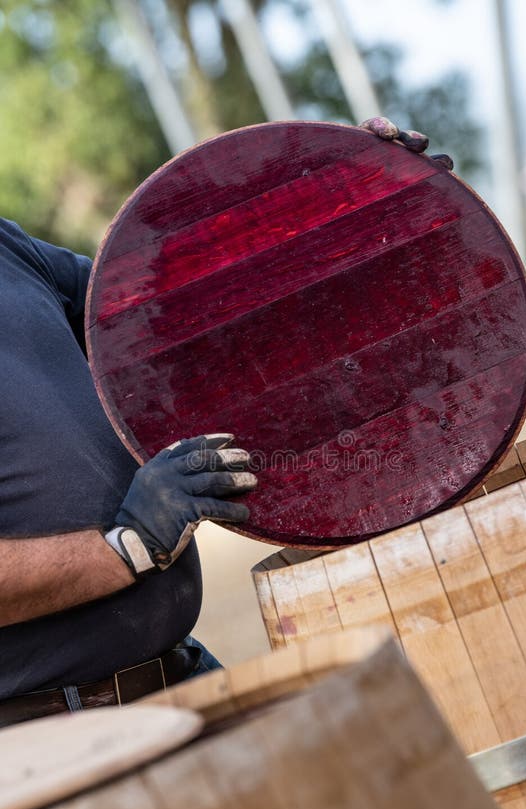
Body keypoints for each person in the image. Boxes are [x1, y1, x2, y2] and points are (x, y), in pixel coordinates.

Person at [0, 118, 444, 727]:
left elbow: (166, 298)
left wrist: (335, 190)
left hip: (179, 678)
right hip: (52, 740)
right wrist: (127, 546)